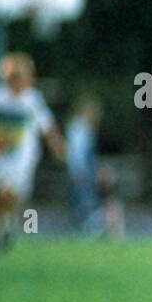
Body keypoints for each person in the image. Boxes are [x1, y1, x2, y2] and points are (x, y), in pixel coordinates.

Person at [0, 53, 66, 253]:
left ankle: (7, 226)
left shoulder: (33, 100)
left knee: (10, 193)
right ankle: (1, 229)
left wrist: (58, 147)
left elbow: (47, 127)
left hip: (21, 159)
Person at [66, 97, 103, 234]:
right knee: (82, 200)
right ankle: (81, 229)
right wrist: (76, 170)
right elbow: (76, 152)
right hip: (81, 170)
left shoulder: (86, 128)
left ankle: (85, 228)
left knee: (86, 198)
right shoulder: (78, 128)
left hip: (86, 170)